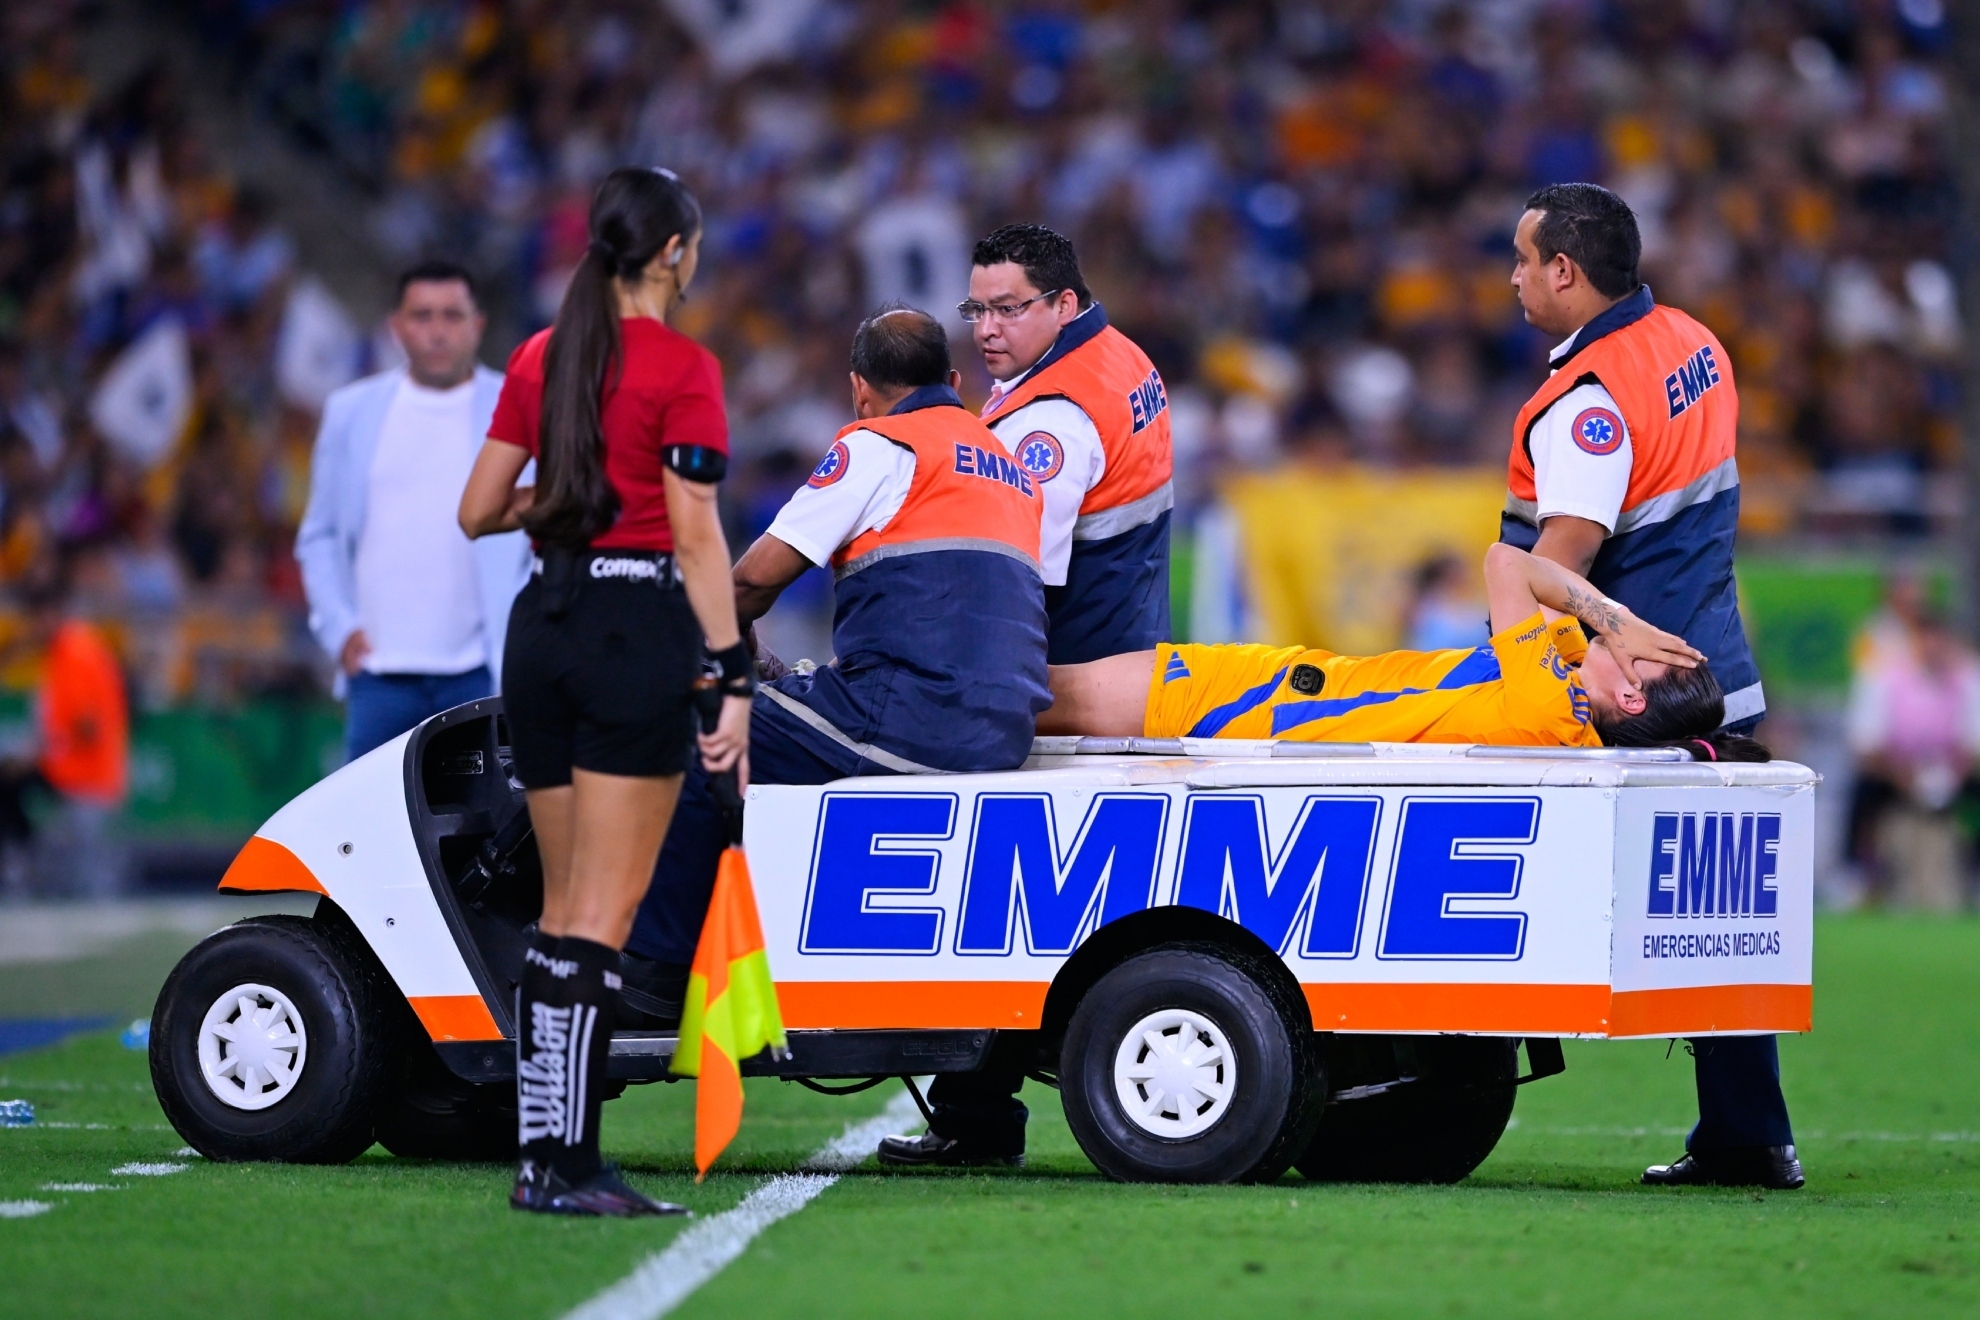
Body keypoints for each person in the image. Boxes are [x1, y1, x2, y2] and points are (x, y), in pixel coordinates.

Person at [458, 167, 751, 1218]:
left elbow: (479, 509)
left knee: (557, 912)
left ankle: (547, 1159)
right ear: (674, 252)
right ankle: (566, 1168)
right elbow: (693, 532)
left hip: (540, 628)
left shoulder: (542, 356)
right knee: (600, 919)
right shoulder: (685, 366)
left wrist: (578, 489)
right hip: (635, 632)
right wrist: (731, 672)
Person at [1500, 181, 1801, 1190]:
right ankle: (1749, 1134)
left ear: (1566, 272)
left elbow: (1562, 567)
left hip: (1640, 702)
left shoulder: (1586, 398)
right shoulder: (1694, 342)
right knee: (1723, 919)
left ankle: (1427, 1088)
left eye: (1523, 259)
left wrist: (1522, 682)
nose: (1512, 278)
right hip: (1721, 670)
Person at [620, 304, 1048, 1010]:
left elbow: (755, 580)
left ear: (858, 387)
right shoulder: (1012, 472)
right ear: (953, 379)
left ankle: (654, 974)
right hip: (1000, 733)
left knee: (696, 733)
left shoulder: (878, 446)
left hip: (907, 719)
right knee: (782, 709)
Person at [1043, 542, 1739, 754]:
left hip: (1256, 705)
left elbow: (1507, 563)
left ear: (1629, 696)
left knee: (1040, 697)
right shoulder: (1560, 698)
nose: (1630, 635)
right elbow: (1550, 584)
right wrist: (1608, 628)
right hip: (1281, 694)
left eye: (1642, 651)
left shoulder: (1553, 710)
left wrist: (1613, 616)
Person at [297, 261, 530, 762]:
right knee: (368, 829)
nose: (438, 330)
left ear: (477, 324)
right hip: (378, 674)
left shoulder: (516, 407)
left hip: (482, 670)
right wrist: (338, 629)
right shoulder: (351, 412)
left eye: (452, 315)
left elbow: (542, 536)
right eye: (422, 316)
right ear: (396, 325)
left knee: (482, 831)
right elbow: (319, 536)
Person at [967, 223, 1173, 664]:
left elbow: (1012, 583)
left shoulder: (1049, 420)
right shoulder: (1119, 351)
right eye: (977, 310)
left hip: (1071, 675)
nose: (985, 330)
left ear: (1064, 305)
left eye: (1007, 309)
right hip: (1133, 649)